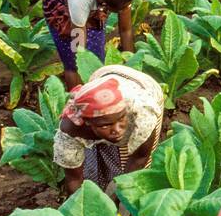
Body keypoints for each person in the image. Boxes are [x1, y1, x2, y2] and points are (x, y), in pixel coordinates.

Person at [54, 64, 164, 200]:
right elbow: (73, 178)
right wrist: (80, 209)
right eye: (105, 125)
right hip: (102, 77)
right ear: (87, 122)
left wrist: (116, 202)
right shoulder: (71, 129)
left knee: (131, 166)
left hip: (145, 86)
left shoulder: (143, 112)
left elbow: (139, 159)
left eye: (121, 119)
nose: (117, 130)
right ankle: (102, 186)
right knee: (97, 154)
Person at [40, 0, 135, 88]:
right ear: (104, 5)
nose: (124, 11)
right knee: (72, 61)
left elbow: (126, 30)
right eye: (119, 10)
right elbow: (78, 48)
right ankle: (75, 98)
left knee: (96, 59)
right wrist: (81, 76)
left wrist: (132, 69)